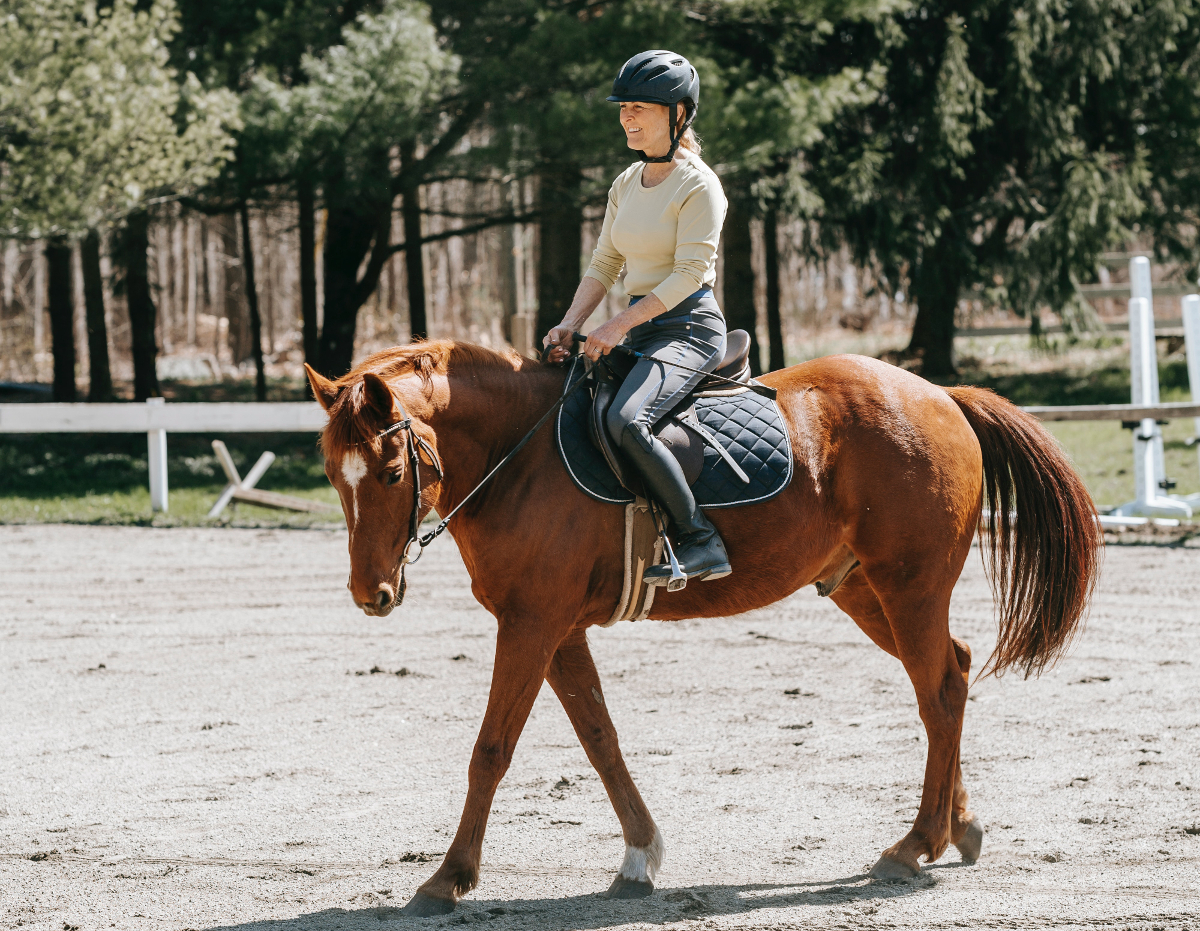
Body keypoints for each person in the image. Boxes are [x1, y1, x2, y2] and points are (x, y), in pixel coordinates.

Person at [543, 50, 731, 585]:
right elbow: (606, 261)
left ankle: (700, 540)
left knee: (628, 420)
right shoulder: (627, 182)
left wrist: (615, 326)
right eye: (623, 107)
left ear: (678, 115)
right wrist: (571, 323)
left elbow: (689, 275)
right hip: (641, 326)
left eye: (640, 107)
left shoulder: (700, 187)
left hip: (689, 328)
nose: (626, 117)